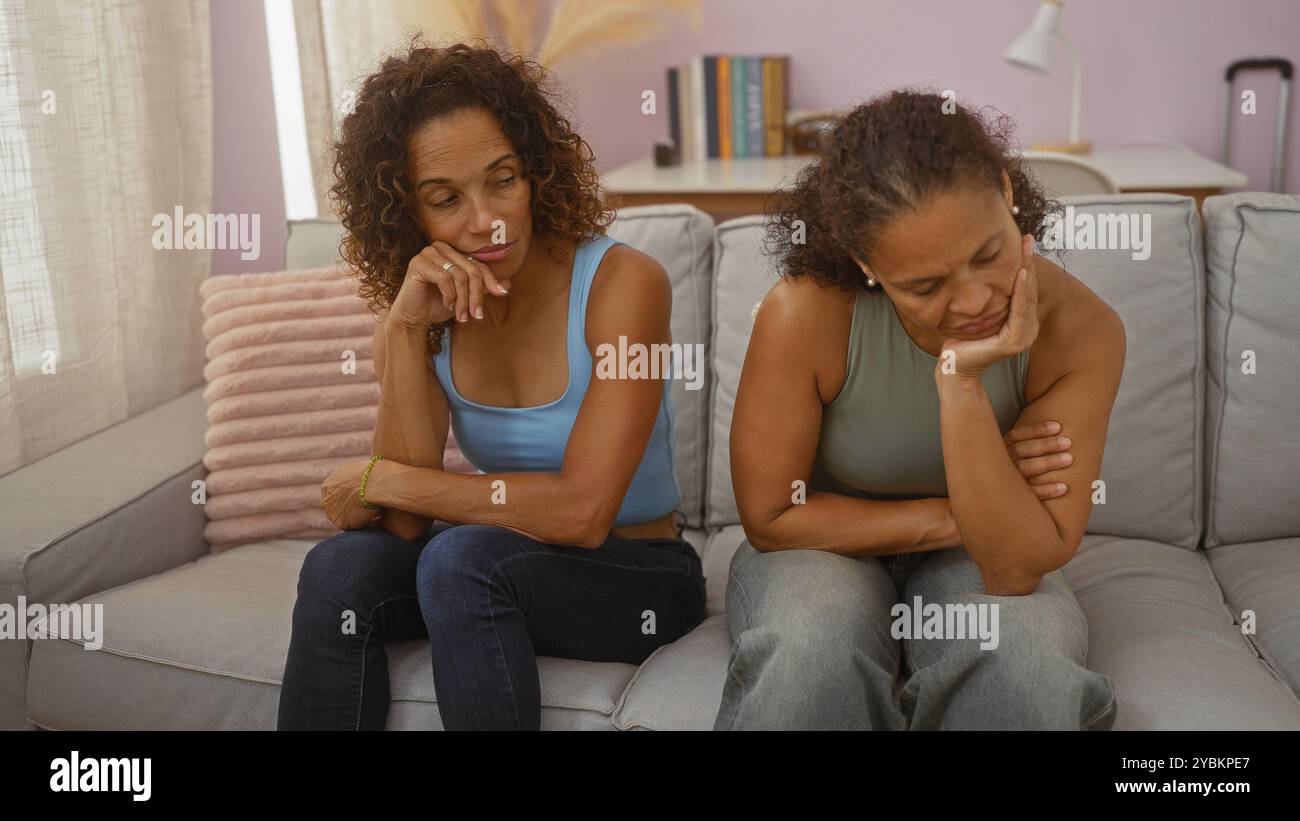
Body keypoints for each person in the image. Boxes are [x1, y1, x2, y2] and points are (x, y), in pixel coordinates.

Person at [277, 39, 705, 731]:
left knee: (462, 556)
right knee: (339, 569)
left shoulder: (623, 283)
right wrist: (404, 332)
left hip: (640, 573)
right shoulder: (425, 310)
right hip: (496, 569)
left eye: (503, 180)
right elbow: (408, 527)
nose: (488, 219)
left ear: (535, 171)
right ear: (408, 214)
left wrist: (375, 480)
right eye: (446, 199)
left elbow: (584, 512)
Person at [714, 89, 1126, 730]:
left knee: (1025, 664)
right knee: (810, 655)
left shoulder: (1081, 329)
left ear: (1004, 189)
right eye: (925, 286)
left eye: (987, 254)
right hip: (822, 552)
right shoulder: (807, 313)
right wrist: (977, 508)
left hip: (972, 561)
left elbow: (1015, 566)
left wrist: (961, 382)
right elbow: (773, 517)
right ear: (866, 263)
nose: (972, 303)